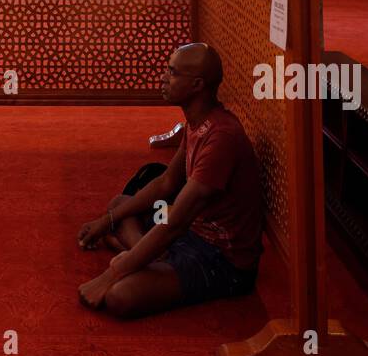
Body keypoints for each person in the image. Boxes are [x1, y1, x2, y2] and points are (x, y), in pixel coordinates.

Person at [77, 42, 263, 319]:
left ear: (197, 84)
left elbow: (175, 222)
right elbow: (165, 183)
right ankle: (150, 256)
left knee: (119, 296)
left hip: (219, 258)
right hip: (188, 233)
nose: (163, 77)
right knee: (121, 204)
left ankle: (141, 255)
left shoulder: (221, 137)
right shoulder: (197, 123)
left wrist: (109, 275)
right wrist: (107, 221)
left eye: (173, 72)